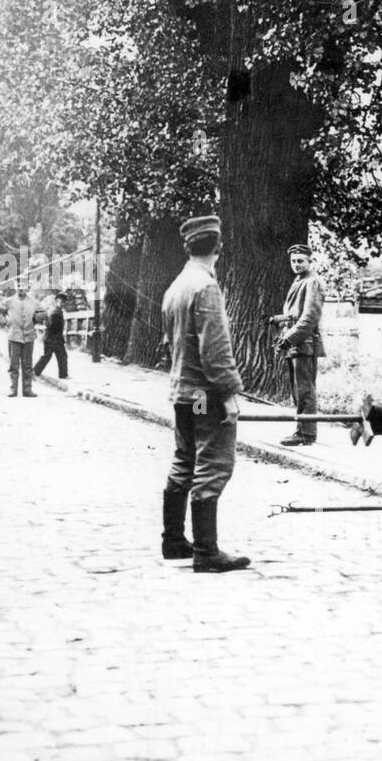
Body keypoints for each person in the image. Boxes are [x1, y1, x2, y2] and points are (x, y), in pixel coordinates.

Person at [160, 216, 250, 573]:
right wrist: (229, 392)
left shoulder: (176, 286)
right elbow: (215, 349)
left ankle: (173, 541)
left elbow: (169, 343)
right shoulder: (205, 287)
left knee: (185, 459)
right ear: (218, 248)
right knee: (212, 463)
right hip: (205, 393)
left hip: (186, 392)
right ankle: (207, 552)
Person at [268, 244, 326, 446]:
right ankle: (302, 429)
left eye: (301, 260)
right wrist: (278, 319)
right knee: (297, 390)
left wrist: (287, 338)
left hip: (304, 343)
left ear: (310, 261)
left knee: (305, 390)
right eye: (293, 261)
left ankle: (307, 433)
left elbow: (309, 318)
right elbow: (295, 314)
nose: (296, 264)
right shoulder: (299, 281)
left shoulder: (313, 282)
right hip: (295, 343)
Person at [0, 280, 39, 398]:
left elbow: (43, 312)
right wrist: (5, 322)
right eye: (18, 286)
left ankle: (27, 390)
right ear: (15, 287)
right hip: (14, 336)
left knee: (28, 365)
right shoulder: (9, 301)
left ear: (27, 287)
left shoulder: (34, 302)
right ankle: (13, 389)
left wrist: (34, 320)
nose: (21, 288)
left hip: (29, 336)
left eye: (23, 285)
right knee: (14, 365)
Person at [34, 291, 70, 380]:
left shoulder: (57, 311)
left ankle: (35, 371)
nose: (63, 304)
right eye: (61, 302)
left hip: (53, 338)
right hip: (53, 338)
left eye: (64, 302)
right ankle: (35, 371)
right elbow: (50, 326)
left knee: (57, 356)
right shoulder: (55, 312)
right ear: (57, 301)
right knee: (51, 356)